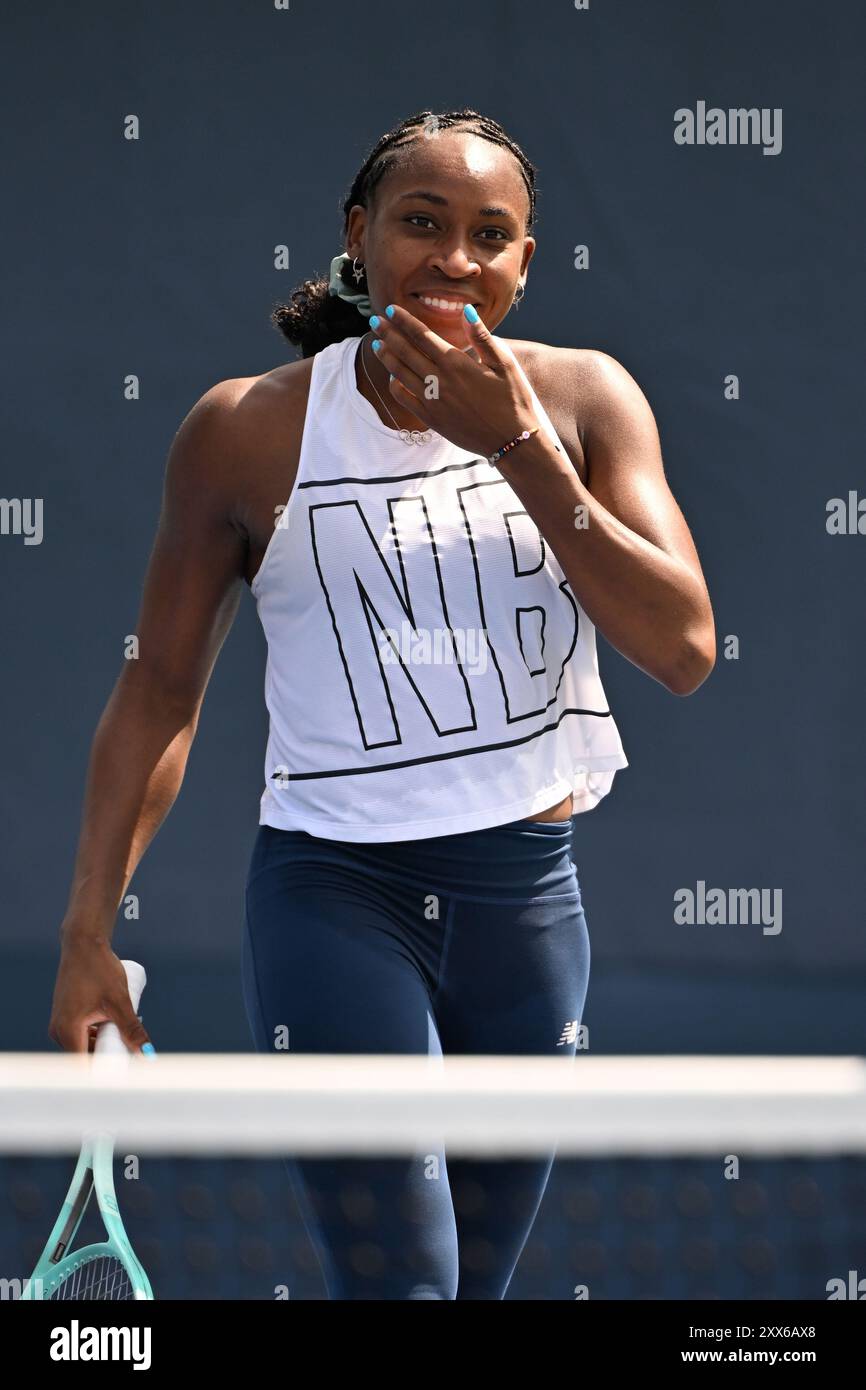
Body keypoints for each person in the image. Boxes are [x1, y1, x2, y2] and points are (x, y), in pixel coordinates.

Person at [49, 107, 715, 1299]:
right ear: (358, 237)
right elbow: (158, 692)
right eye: (421, 223)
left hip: (526, 903)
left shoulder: (583, 401)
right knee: (402, 1288)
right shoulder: (246, 430)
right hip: (332, 897)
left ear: (523, 263)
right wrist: (88, 930)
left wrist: (514, 445)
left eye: (489, 234)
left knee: (471, 1290)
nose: (454, 258)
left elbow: (681, 646)